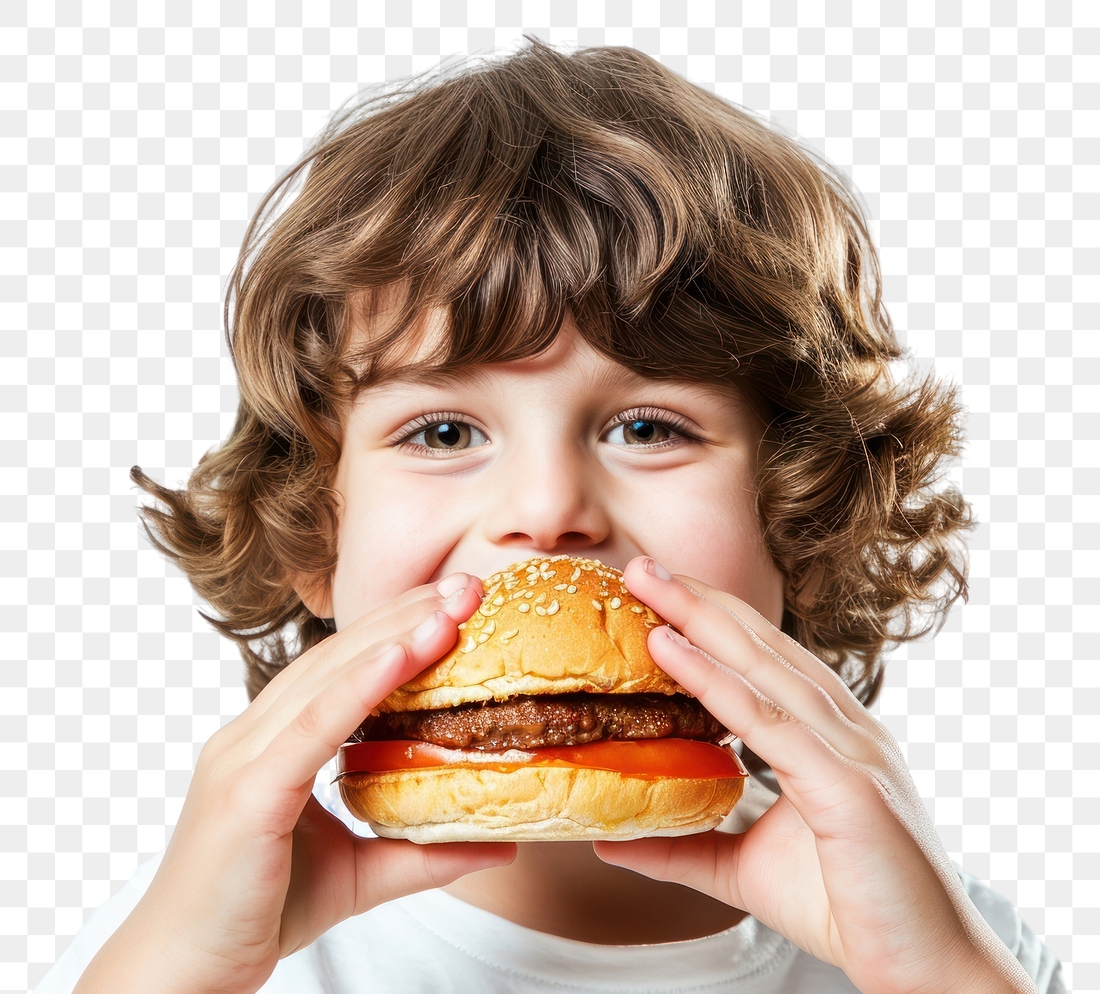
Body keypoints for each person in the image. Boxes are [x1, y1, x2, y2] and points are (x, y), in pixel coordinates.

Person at [40, 41, 1062, 994]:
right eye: (441, 432)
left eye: (649, 427)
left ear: (799, 525)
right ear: (315, 536)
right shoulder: (184, 938)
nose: (545, 511)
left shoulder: (958, 945)